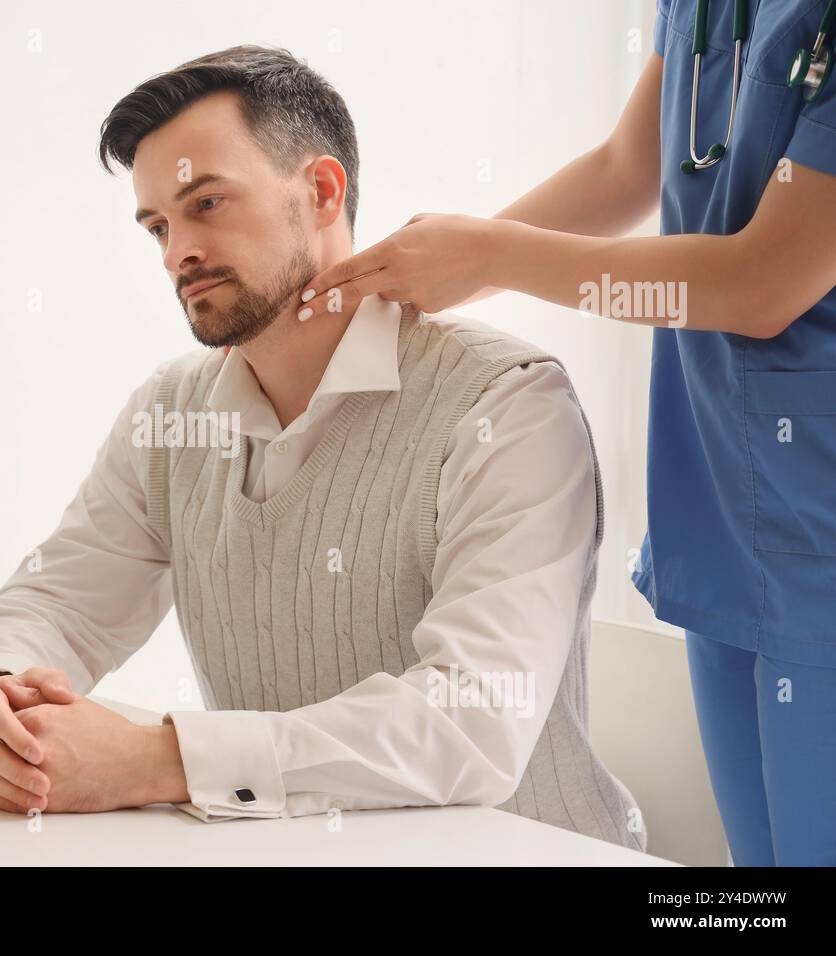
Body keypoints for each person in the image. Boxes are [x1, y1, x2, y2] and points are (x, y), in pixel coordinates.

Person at [0, 45, 646, 851]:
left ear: (320, 192)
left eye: (205, 203)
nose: (177, 253)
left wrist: (156, 759)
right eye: (159, 226)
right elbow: (60, 598)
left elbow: (472, 724)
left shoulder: (507, 404)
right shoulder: (173, 411)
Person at [293, 1, 836, 866]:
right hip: (724, 515)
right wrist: (434, 282)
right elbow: (629, 167)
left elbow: (767, 282)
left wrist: (492, 256)